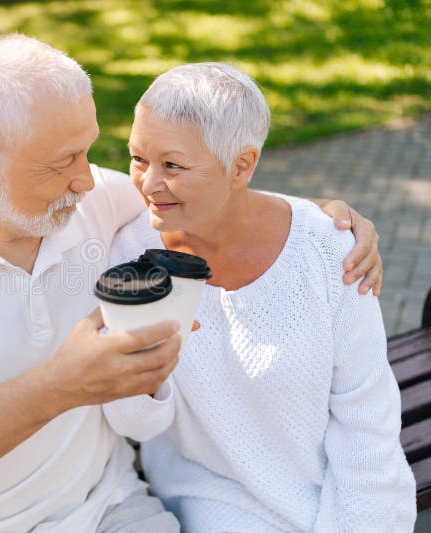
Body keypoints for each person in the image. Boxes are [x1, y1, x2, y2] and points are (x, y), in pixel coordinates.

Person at [0, 35, 383, 532]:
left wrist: (324, 221)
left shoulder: (88, 203)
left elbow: (211, 198)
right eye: (62, 160)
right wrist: (57, 388)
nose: (86, 176)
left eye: (90, 149)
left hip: (111, 508)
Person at [102, 62, 415, 532]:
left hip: (341, 484)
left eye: (173, 165)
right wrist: (147, 364)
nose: (147, 183)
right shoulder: (127, 258)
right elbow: (137, 425)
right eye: (138, 158)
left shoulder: (329, 248)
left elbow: (365, 416)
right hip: (213, 495)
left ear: (242, 165)